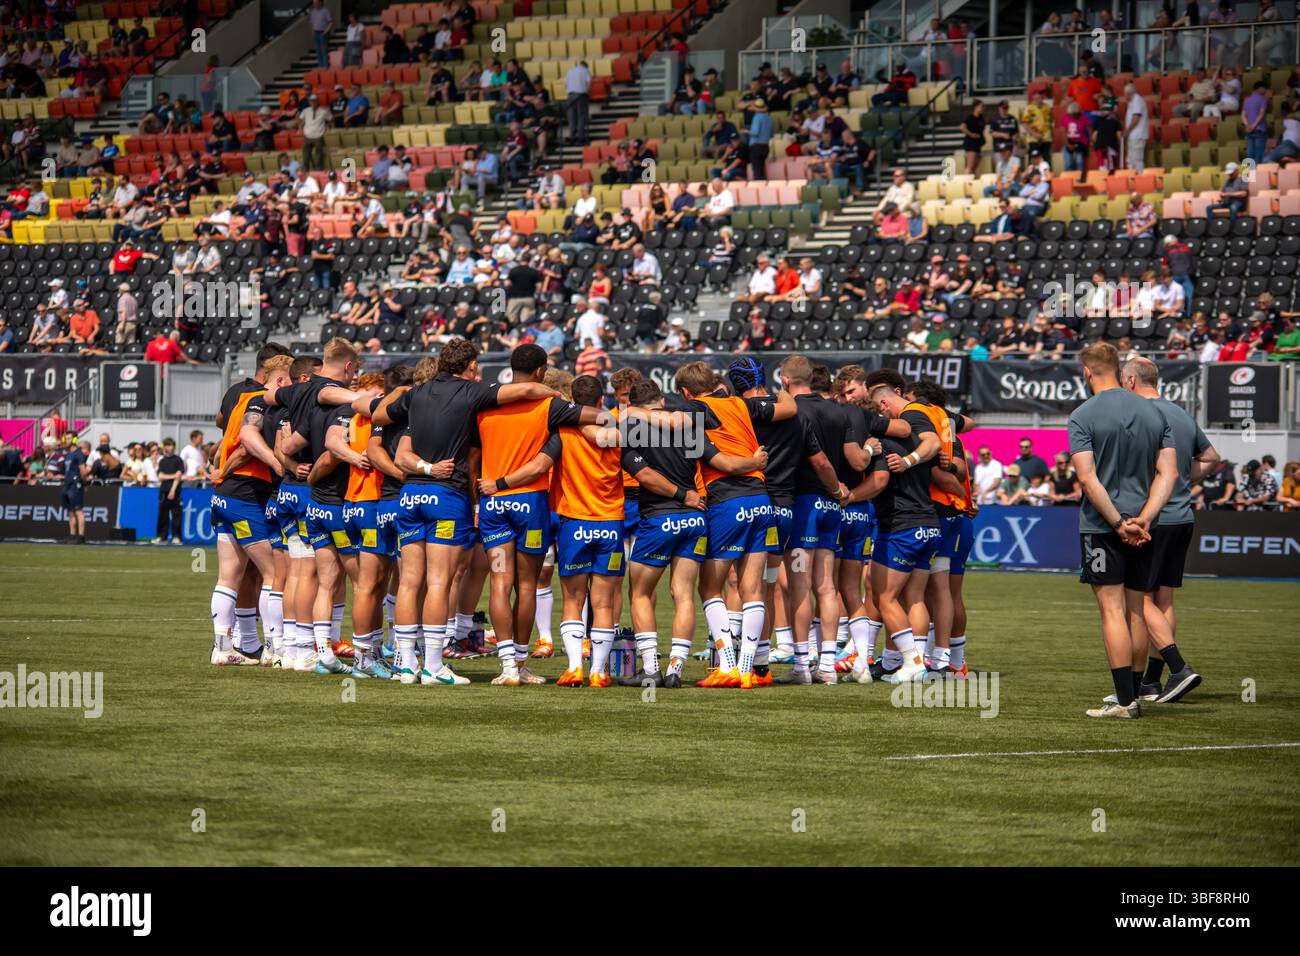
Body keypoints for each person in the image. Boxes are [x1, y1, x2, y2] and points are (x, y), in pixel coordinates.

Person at [1067, 343, 1185, 719]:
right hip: (1146, 524)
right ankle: (1132, 694)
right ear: (1119, 370)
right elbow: (1170, 473)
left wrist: (1118, 523)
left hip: (1104, 526)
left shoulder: (1082, 415)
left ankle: (1124, 701)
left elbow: (1088, 479)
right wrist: (1145, 518)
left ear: (1087, 372)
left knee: (1112, 611)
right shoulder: (1153, 412)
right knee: (1136, 610)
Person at [1118, 356, 1219, 704]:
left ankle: (1179, 668)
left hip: (1152, 517)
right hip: (1182, 516)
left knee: (1137, 597)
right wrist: (1182, 481)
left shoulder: (1137, 414)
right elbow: (1212, 456)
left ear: (1130, 381)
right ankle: (1151, 682)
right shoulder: (1180, 412)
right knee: (1164, 598)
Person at [155, 437, 185, 544]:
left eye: (172, 445)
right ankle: (162, 537)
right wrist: (173, 476)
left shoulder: (178, 460)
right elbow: (160, 476)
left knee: (177, 515)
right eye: (168, 445)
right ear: (164, 447)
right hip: (163, 491)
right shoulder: (162, 461)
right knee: (163, 515)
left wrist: (173, 490)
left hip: (175, 492)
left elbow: (179, 476)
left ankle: (176, 537)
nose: (170, 447)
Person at [61, 439, 91, 544]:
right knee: (70, 511)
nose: (66, 440)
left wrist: (84, 483)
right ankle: (72, 535)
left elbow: (83, 470)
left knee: (78, 510)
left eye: (68, 438)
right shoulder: (68, 455)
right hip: (67, 485)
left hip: (76, 484)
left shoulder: (78, 454)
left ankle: (81, 536)